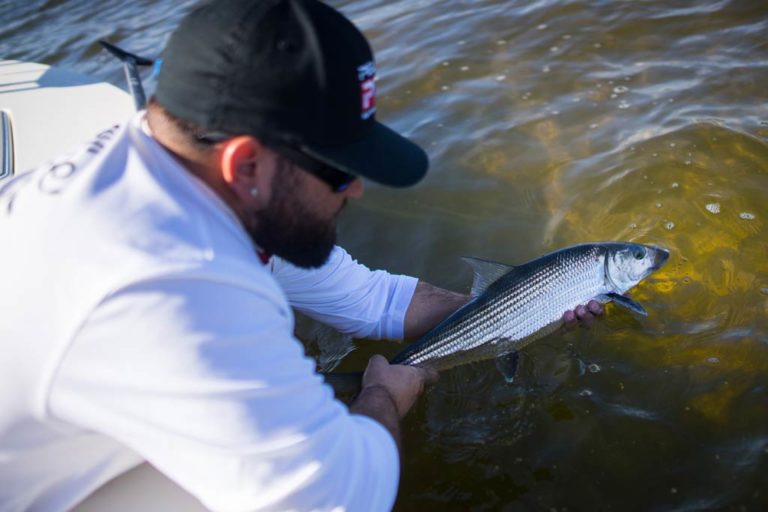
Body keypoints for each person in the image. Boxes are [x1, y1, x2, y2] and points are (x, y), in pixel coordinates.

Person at [0, 0, 602, 510]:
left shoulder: (177, 173)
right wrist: (384, 394)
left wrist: (521, 308)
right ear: (247, 164)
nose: (359, 189)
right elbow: (346, 497)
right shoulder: (168, 288)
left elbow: (369, 298)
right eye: (340, 170)